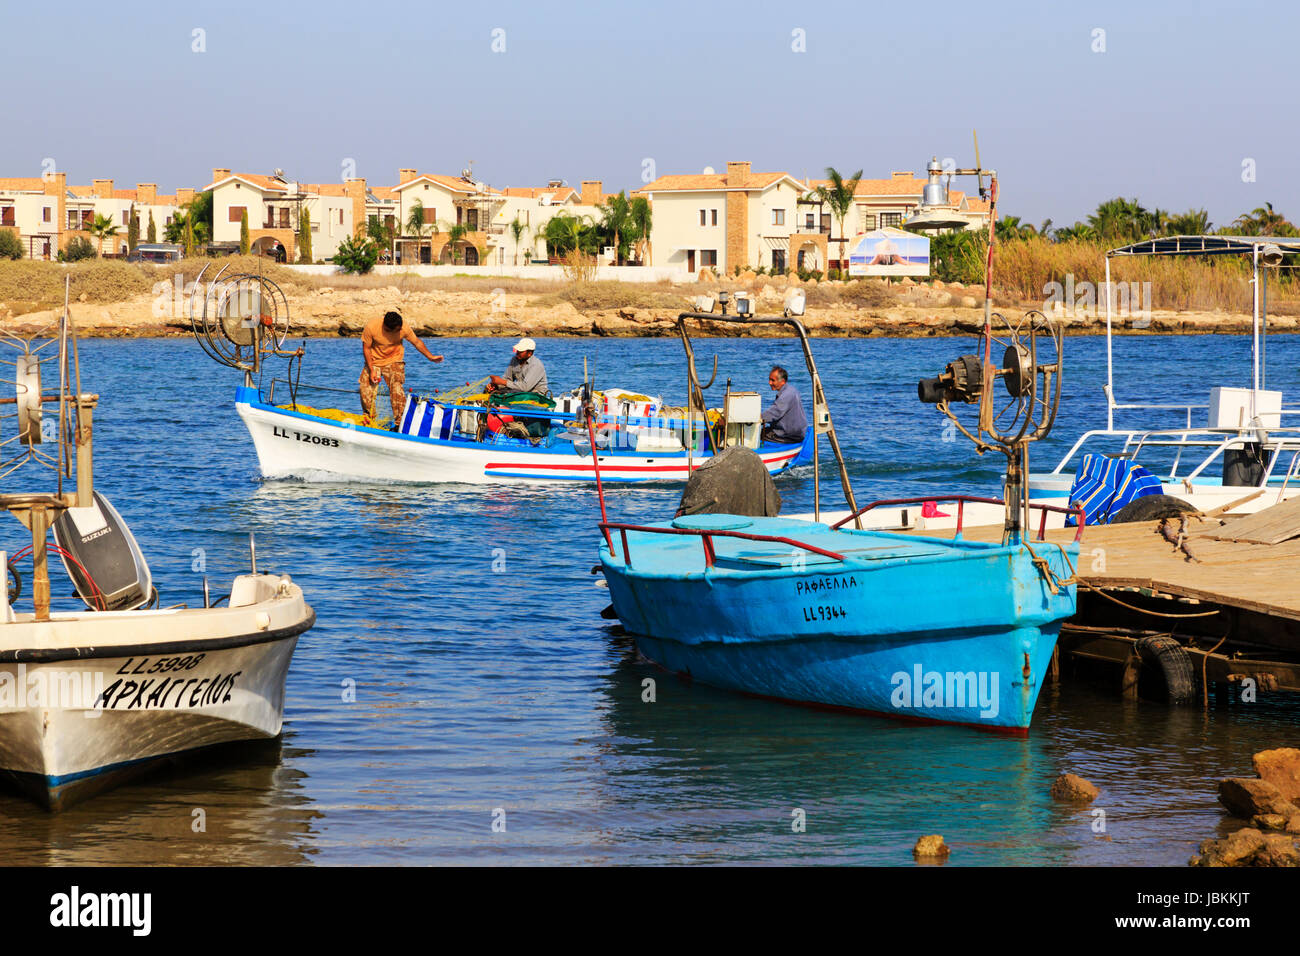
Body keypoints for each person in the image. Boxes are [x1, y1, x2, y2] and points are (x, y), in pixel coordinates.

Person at [359, 310, 443, 422]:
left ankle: (400, 422)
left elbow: (416, 342)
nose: (399, 331)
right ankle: (369, 419)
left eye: (400, 328)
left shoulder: (403, 327)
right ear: (386, 327)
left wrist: (430, 357)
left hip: (395, 360)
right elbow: (366, 348)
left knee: (396, 388)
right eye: (396, 330)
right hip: (374, 361)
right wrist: (371, 370)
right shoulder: (372, 327)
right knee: (365, 389)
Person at [760, 365, 807, 444]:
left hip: (791, 435)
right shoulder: (791, 390)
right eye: (769, 379)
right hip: (797, 431)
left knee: (757, 435)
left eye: (772, 380)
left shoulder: (786, 394)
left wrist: (757, 419)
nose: (769, 383)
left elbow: (775, 412)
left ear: (783, 381)